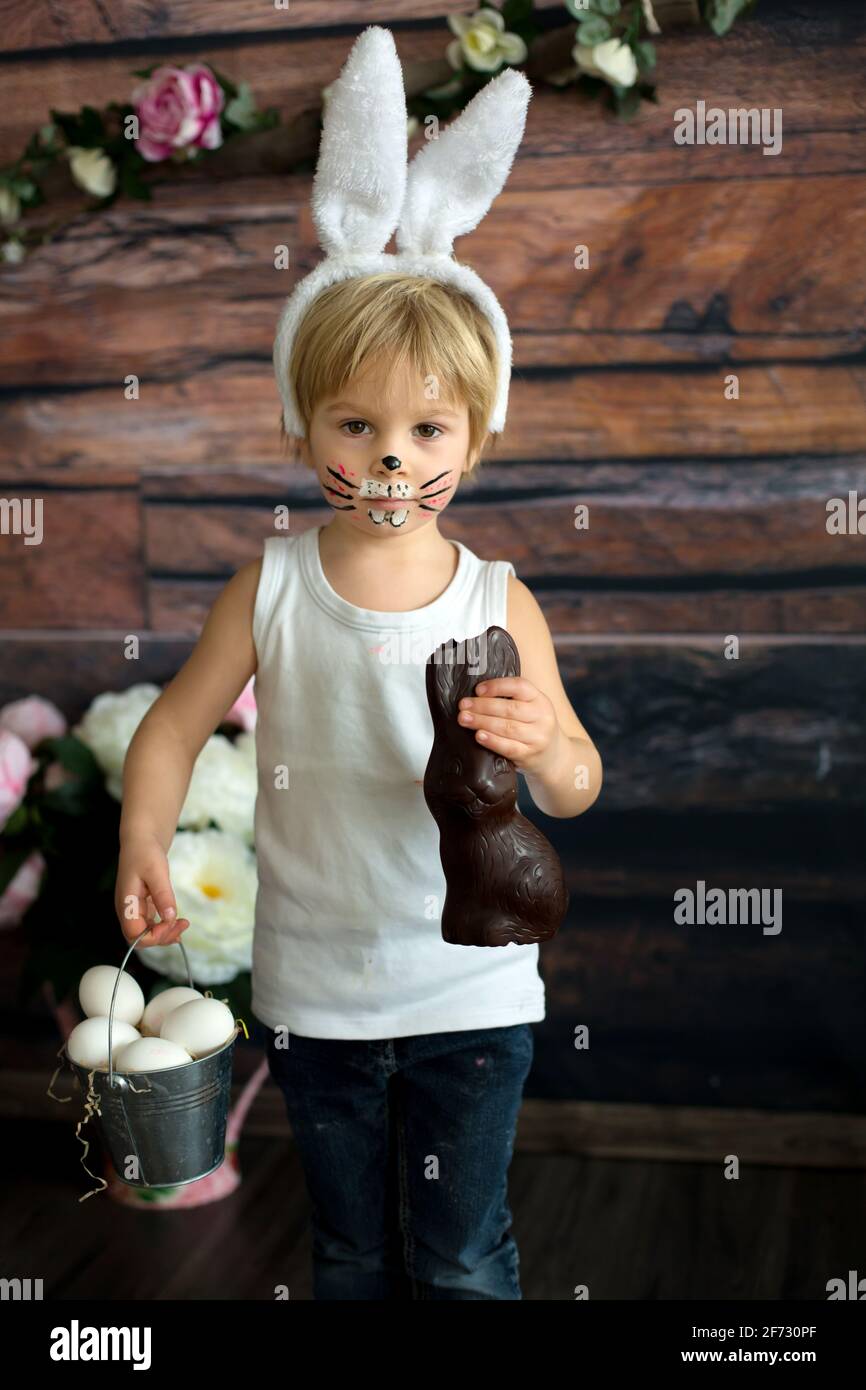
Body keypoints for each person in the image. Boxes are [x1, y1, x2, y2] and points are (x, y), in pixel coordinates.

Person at [116, 28, 602, 1300]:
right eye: (356, 423)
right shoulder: (269, 586)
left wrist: (545, 744)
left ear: (475, 436)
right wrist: (143, 843)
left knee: (459, 1251)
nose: (390, 457)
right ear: (300, 419)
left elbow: (576, 783)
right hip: (319, 993)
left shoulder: (497, 597)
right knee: (343, 1249)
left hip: (473, 988)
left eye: (426, 427)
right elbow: (170, 731)